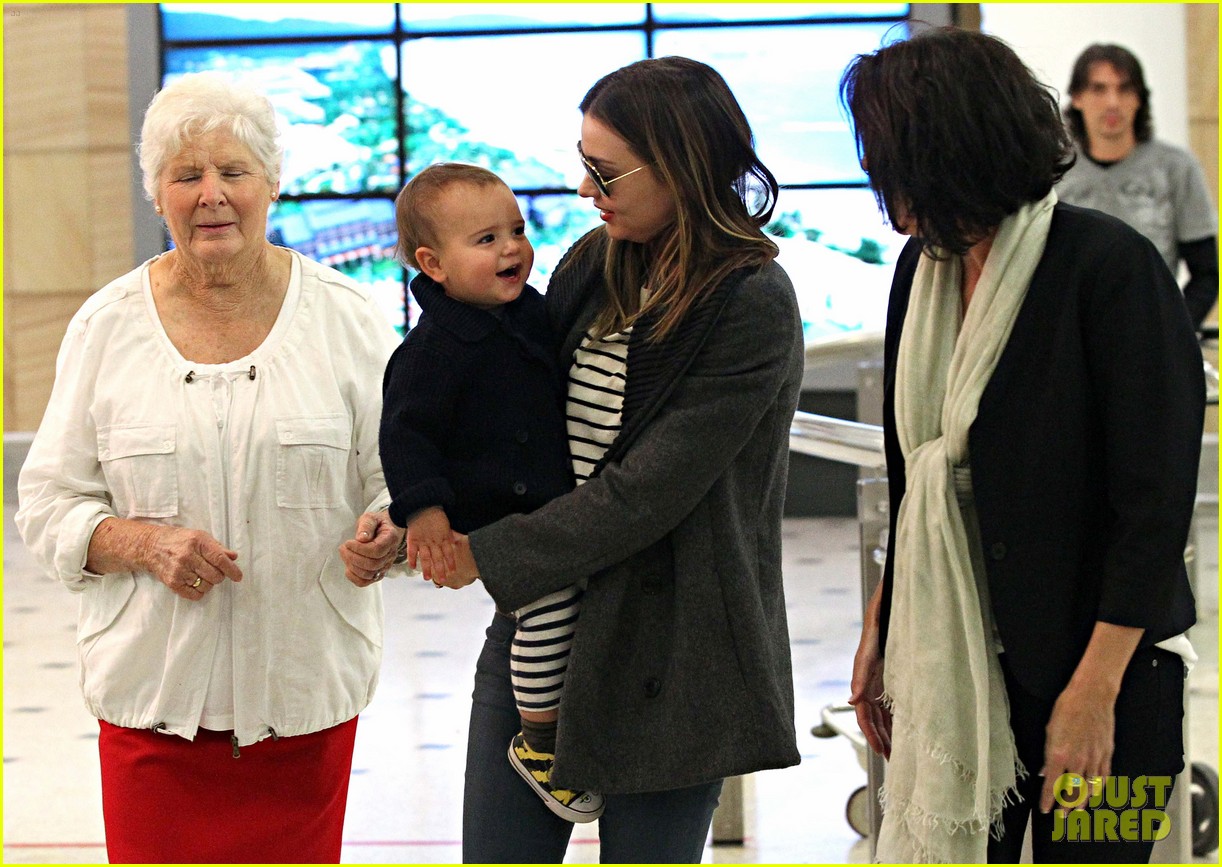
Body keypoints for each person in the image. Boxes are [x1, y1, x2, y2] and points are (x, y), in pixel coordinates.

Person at [419, 56, 805, 863]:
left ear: (682, 165)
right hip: (541, 625)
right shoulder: (595, 262)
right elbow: (511, 421)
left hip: (672, 651)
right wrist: (421, 508)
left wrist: (481, 553)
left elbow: (642, 496)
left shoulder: (751, 301)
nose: (587, 193)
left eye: (604, 172)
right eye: (583, 165)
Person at [14, 73, 405, 864]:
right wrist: (142, 542)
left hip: (301, 709)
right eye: (186, 175)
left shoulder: (348, 320)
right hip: (153, 710)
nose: (211, 195)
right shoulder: (105, 327)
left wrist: (391, 527)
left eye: (234, 172)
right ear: (157, 193)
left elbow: (401, 476)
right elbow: (49, 502)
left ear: (273, 184)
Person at [840, 28, 1203, 863]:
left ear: (959, 151)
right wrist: (882, 623)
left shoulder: (1112, 269)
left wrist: (1092, 692)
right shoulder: (919, 273)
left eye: (902, 169)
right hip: (960, 664)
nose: (894, 202)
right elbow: (915, 474)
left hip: (1113, 674)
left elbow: (1152, 511)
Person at [379, 162, 602, 822]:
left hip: (549, 504)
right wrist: (424, 514)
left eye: (517, 229)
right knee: (548, 609)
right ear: (433, 263)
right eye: (485, 239)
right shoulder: (433, 348)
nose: (511, 248)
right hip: (502, 519)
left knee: (566, 607)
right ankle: (539, 742)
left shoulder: (533, 313)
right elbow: (406, 435)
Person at [1057, 43, 1218, 328]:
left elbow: (1208, 272)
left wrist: (1175, 329)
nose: (1112, 103)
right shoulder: (1051, 171)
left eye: (1124, 89)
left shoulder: (1176, 168)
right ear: (1077, 98)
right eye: (1098, 89)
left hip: (1151, 328)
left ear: (1140, 99)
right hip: (1072, 332)